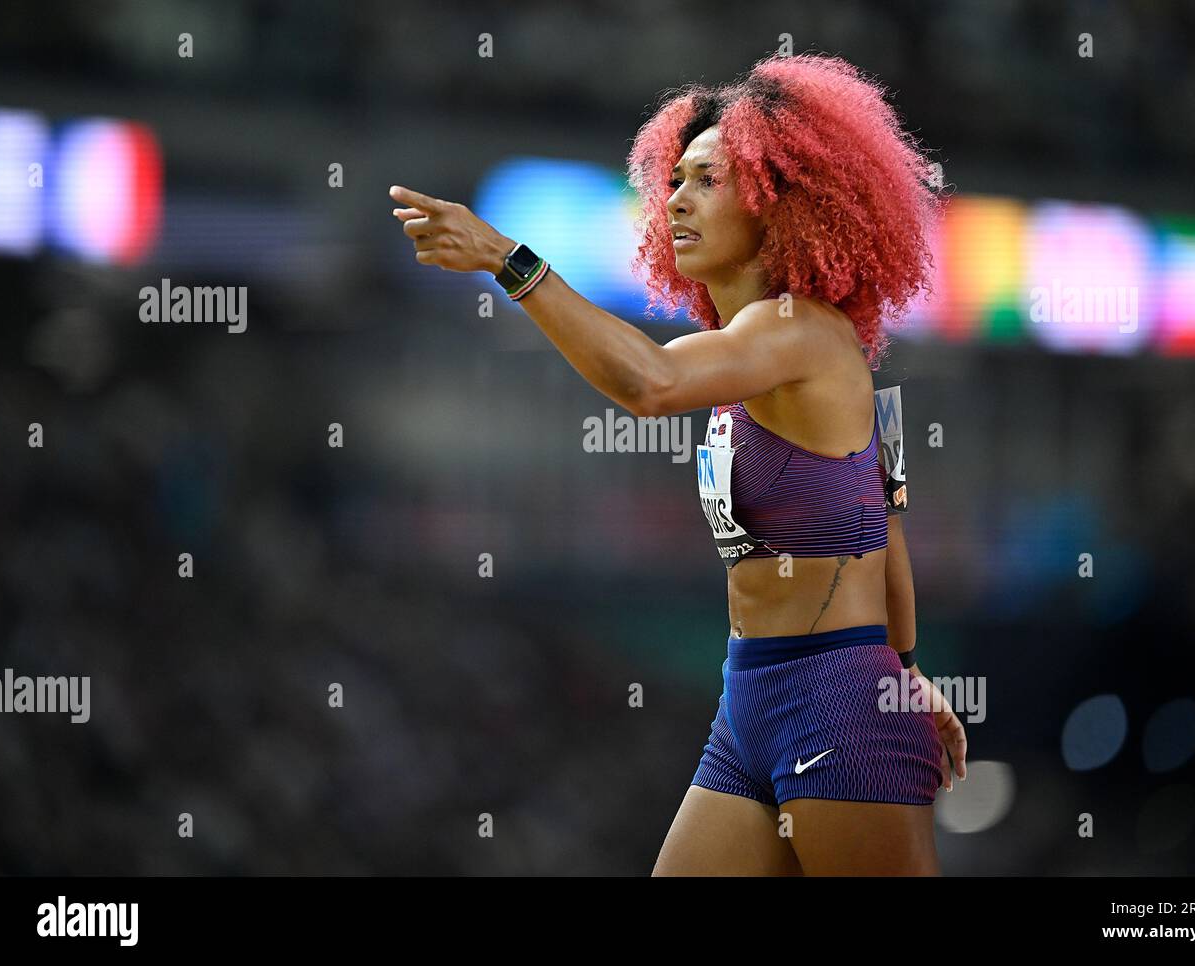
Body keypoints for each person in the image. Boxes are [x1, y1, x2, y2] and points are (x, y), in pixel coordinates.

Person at [389, 51, 967, 875]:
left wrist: (506, 260)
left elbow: (650, 383)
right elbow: (887, 532)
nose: (677, 201)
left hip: (838, 706)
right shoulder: (754, 352)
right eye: (675, 180)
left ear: (780, 202)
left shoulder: (800, 331)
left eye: (709, 181)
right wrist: (909, 673)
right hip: (750, 704)